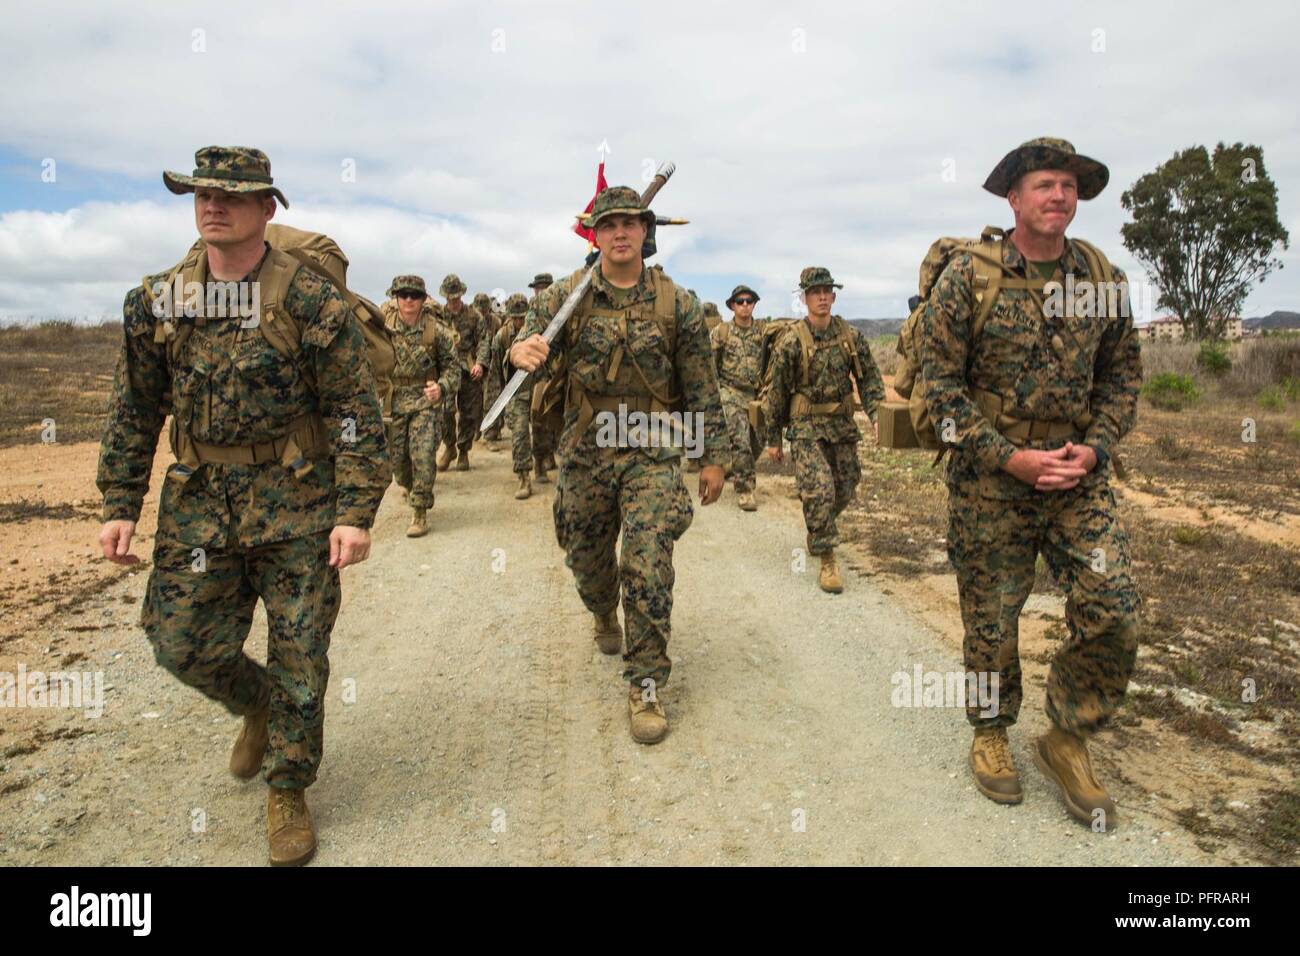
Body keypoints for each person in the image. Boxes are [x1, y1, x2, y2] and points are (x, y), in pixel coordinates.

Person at [96, 146, 388, 865]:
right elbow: (136, 408)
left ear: (267, 209)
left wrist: (354, 509)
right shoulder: (158, 300)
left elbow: (354, 409)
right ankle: (256, 704)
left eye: (231, 195)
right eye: (201, 194)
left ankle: (287, 786)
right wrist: (120, 500)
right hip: (199, 503)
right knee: (180, 644)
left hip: (298, 503)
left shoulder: (309, 300)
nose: (211, 205)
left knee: (301, 651)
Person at [920, 137, 1141, 828]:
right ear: (1014, 198)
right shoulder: (970, 276)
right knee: (992, 619)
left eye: (1069, 186)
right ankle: (990, 731)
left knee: (1115, 603)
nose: (1059, 196)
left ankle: (1067, 736)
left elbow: (1123, 376)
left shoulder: (1102, 276)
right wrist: (1005, 456)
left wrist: (1097, 449)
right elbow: (939, 389)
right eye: (1045, 184)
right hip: (993, 482)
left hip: (1076, 479)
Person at [509, 186, 729, 744]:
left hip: (653, 449)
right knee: (585, 554)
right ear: (595, 235)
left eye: (630, 222)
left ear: (645, 231)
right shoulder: (565, 298)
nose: (621, 233)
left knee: (649, 559)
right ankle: (603, 609)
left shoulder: (678, 303)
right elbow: (516, 349)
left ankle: (647, 682)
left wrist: (712, 458)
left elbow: (702, 387)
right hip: (586, 446)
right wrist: (518, 351)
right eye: (609, 225)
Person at [758, 267, 884, 593]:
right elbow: (776, 393)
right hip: (805, 427)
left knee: (847, 482)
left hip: (841, 425)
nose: (823, 297)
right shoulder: (791, 342)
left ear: (834, 296)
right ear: (805, 298)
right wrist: (774, 439)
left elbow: (869, 379)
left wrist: (876, 415)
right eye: (816, 292)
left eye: (827, 291)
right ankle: (827, 556)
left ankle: (819, 524)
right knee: (819, 489)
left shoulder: (850, 337)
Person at [383, 275, 459, 536]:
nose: (408, 300)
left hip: (425, 402)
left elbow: (453, 370)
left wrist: (442, 386)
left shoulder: (437, 331)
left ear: (423, 299)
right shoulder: (384, 328)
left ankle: (420, 512)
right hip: (394, 403)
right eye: (403, 294)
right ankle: (409, 485)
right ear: (395, 297)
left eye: (414, 295)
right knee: (399, 465)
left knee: (424, 454)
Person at [711, 284, 766, 510]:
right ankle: (745, 490)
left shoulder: (764, 332)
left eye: (749, 301)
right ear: (733, 305)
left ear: (754, 305)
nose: (745, 305)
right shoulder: (721, 332)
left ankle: (734, 467)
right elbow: (710, 365)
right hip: (730, 393)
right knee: (741, 441)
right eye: (740, 301)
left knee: (759, 441)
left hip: (756, 396)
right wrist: (716, 395)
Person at [434, 274, 489, 471]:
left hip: (468, 368)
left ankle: (463, 450)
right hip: (446, 369)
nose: (454, 301)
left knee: (468, 412)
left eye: (456, 297)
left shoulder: (474, 315)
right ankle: (449, 447)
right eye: (450, 298)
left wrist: (480, 364)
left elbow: (483, 341)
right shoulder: (437, 315)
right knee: (445, 411)